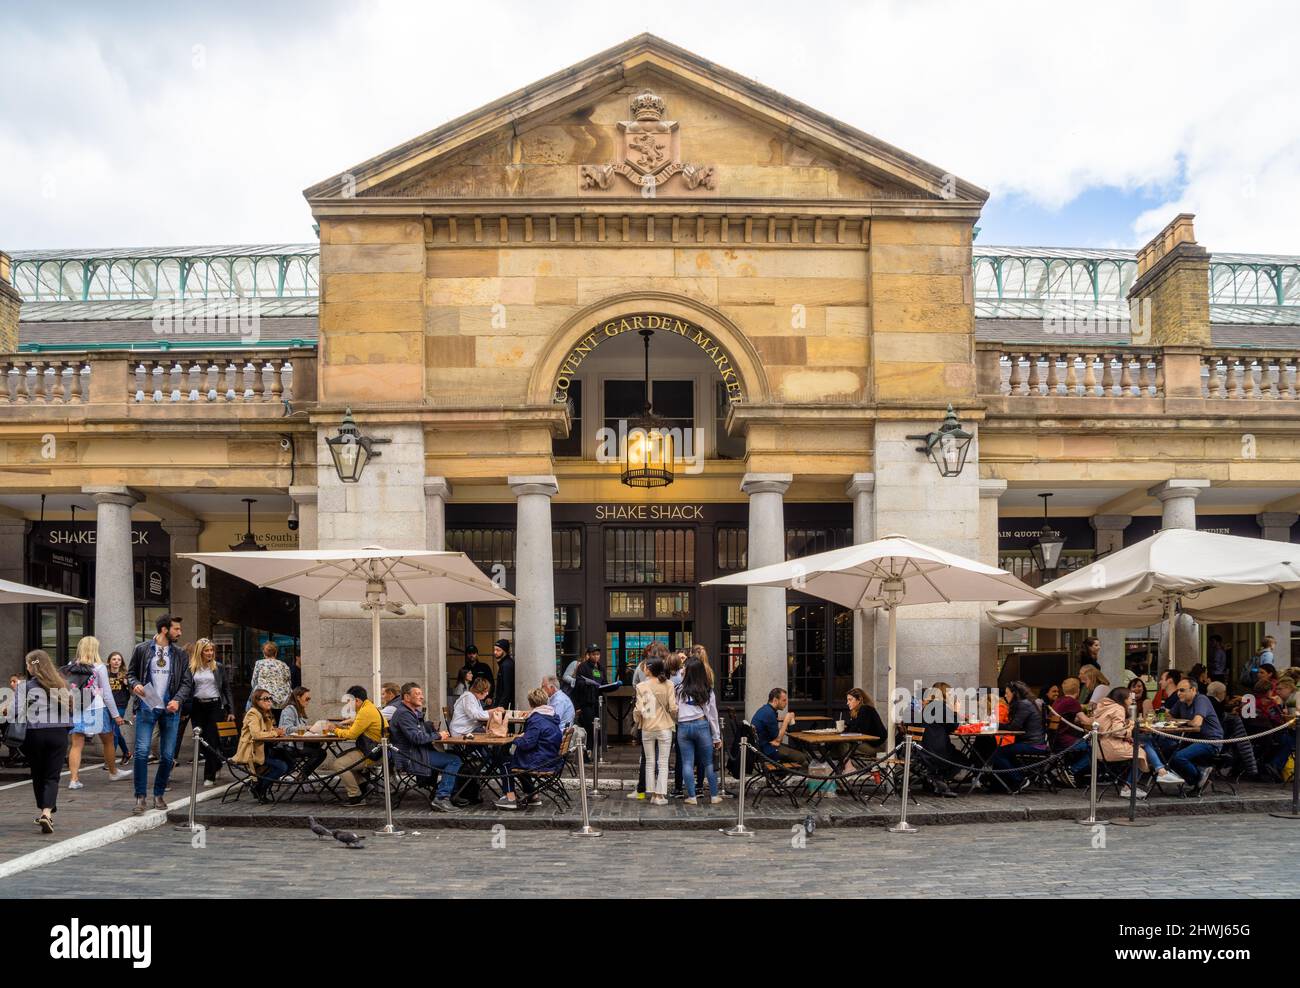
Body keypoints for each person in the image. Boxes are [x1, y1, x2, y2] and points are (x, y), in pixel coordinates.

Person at [126, 613, 193, 815]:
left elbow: (187, 681)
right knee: (141, 751)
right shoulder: (142, 649)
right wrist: (135, 684)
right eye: (176, 629)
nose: (179, 632)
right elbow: (130, 674)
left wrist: (178, 699)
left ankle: (159, 793)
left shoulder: (180, 654)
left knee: (167, 755)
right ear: (164, 629)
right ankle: (140, 796)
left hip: (170, 709)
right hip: (147, 706)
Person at [17, 650, 72, 833]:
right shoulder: (61, 684)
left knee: (38, 774)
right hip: (58, 734)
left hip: (35, 734)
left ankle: (44, 811)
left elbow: (15, 711)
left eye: (27, 664)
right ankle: (47, 812)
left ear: (33, 666)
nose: (26, 667)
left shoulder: (25, 686)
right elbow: (70, 710)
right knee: (52, 775)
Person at [62, 636, 127, 788]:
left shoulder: (71, 665)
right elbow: (106, 694)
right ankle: (113, 772)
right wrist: (116, 715)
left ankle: (73, 779)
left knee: (76, 744)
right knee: (108, 740)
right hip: (96, 707)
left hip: (78, 707)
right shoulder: (99, 667)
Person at [387, 682, 462, 812]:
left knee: (458, 757)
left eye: (421, 694)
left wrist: (429, 727)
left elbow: (418, 733)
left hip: (418, 753)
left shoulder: (412, 712)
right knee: (454, 760)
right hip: (411, 757)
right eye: (417, 694)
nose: (421, 697)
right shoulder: (404, 714)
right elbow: (417, 738)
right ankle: (441, 797)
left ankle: (450, 792)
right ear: (406, 697)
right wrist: (438, 735)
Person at [495, 687, 564, 810]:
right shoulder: (551, 716)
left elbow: (527, 744)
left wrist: (515, 739)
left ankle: (510, 798)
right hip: (550, 757)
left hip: (541, 761)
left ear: (531, 703)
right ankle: (533, 795)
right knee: (519, 760)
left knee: (505, 761)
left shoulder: (536, 719)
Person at [1157, 675, 1224, 793]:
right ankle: (1200, 778)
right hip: (1192, 740)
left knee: (1179, 757)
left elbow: (1197, 723)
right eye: (1178, 690)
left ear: (1193, 690)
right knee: (1165, 752)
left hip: (1210, 741)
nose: (1178, 693)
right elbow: (1169, 716)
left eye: (1182, 690)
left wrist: (1181, 722)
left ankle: (1199, 779)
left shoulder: (1201, 699)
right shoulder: (1181, 702)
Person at [322, 685, 386, 805]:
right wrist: (342, 728)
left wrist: (334, 729)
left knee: (338, 764)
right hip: (375, 750)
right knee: (342, 758)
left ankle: (355, 796)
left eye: (349, 702)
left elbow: (351, 735)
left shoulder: (365, 711)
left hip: (373, 754)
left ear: (357, 700)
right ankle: (364, 785)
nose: (348, 705)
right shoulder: (369, 707)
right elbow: (357, 729)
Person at [184, 638, 235, 787]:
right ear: (200, 651)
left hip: (215, 706)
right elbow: (187, 689)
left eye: (211, 650)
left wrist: (230, 710)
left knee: (212, 740)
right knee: (200, 740)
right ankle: (217, 762)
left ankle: (209, 776)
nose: (210, 653)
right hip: (197, 707)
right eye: (207, 650)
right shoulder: (191, 668)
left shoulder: (218, 667)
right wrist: (184, 708)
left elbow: (226, 689)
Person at [675, 655, 722, 804]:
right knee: (708, 762)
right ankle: (714, 796)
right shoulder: (707, 690)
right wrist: (716, 737)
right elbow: (713, 715)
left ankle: (692, 797)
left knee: (687, 763)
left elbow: (674, 710)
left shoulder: (678, 689)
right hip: (701, 725)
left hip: (683, 727)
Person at [633, 655, 678, 805]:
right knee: (663, 762)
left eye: (645, 666)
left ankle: (652, 793)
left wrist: (638, 719)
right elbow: (673, 708)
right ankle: (660, 795)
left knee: (650, 761)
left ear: (650, 668)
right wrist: (673, 717)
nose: (643, 668)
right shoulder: (669, 684)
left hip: (647, 726)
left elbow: (640, 710)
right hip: (664, 726)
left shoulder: (641, 686)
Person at [988, 680, 1047, 793]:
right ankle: (999, 784)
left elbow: (1014, 727)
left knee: (998, 753)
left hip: (1034, 745)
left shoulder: (1023, 704)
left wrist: (994, 724)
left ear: (1014, 693)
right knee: (1002, 752)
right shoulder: (1026, 703)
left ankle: (1019, 779)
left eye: (1007, 693)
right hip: (1031, 742)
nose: (1005, 695)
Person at [234, 688, 289, 803]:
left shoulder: (266, 714)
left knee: (290, 760)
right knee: (282, 766)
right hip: (252, 752)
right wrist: (275, 733)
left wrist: (277, 731)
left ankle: (260, 783)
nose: (269, 701)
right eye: (265, 699)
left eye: (270, 698)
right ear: (257, 701)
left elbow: (268, 732)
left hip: (265, 749)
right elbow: (257, 735)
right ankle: (259, 788)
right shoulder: (253, 713)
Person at [750, 687, 809, 768]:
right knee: (804, 757)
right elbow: (778, 740)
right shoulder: (769, 713)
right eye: (784, 700)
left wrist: (776, 740)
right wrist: (786, 720)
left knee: (799, 752)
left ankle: (779, 776)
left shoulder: (766, 710)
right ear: (775, 700)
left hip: (763, 747)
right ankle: (779, 775)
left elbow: (776, 739)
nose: (786, 703)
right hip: (767, 751)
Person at [279, 686, 327, 779]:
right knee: (320, 753)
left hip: (297, 744)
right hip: (289, 747)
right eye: (307, 698)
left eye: (309, 699)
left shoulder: (299, 710)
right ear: (298, 697)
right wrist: (307, 728)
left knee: (318, 746)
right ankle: (302, 777)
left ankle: (303, 777)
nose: (308, 701)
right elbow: (286, 729)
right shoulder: (289, 709)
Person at [572, 643, 605, 744]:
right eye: (594, 654)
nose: (596, 656)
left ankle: (597, 751)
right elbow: (578, 683)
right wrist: (588, 683)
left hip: (597, 702)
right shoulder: (583, 667)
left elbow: (604, 682)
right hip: (586, 702)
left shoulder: (600, 667)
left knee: (598, 727)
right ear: (589, 655)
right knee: (589, 727)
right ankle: (589, 751)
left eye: (598, 654)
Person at [249, 642, 292, 719]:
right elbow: (288, 682)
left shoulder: (259, 663)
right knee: (279, 723)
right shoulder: (283, 665)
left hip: (265, 700)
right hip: (282, 702)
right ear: (275, 653)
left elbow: (254, 683)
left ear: (264, 653)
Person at [105, 651, 133, 767]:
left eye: (119, 660)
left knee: (113, 731)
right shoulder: (105, 674)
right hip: (107, 705)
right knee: (115, 730)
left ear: (121, 662)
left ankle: (109, 761)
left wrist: (128, 684)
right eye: (114, 659)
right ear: (109, 661)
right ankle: (126, 753)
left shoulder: (125, 675)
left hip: (120, 705)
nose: (116, 661)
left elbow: (132, 692)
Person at [493, 639, 515, 710]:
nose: (495, 652)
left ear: (505, 651)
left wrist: (501, 706)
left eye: (498, 650)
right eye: (494, 650)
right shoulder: (504, 664)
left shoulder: (506, 665)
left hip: (504, 707)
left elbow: (507, 688)